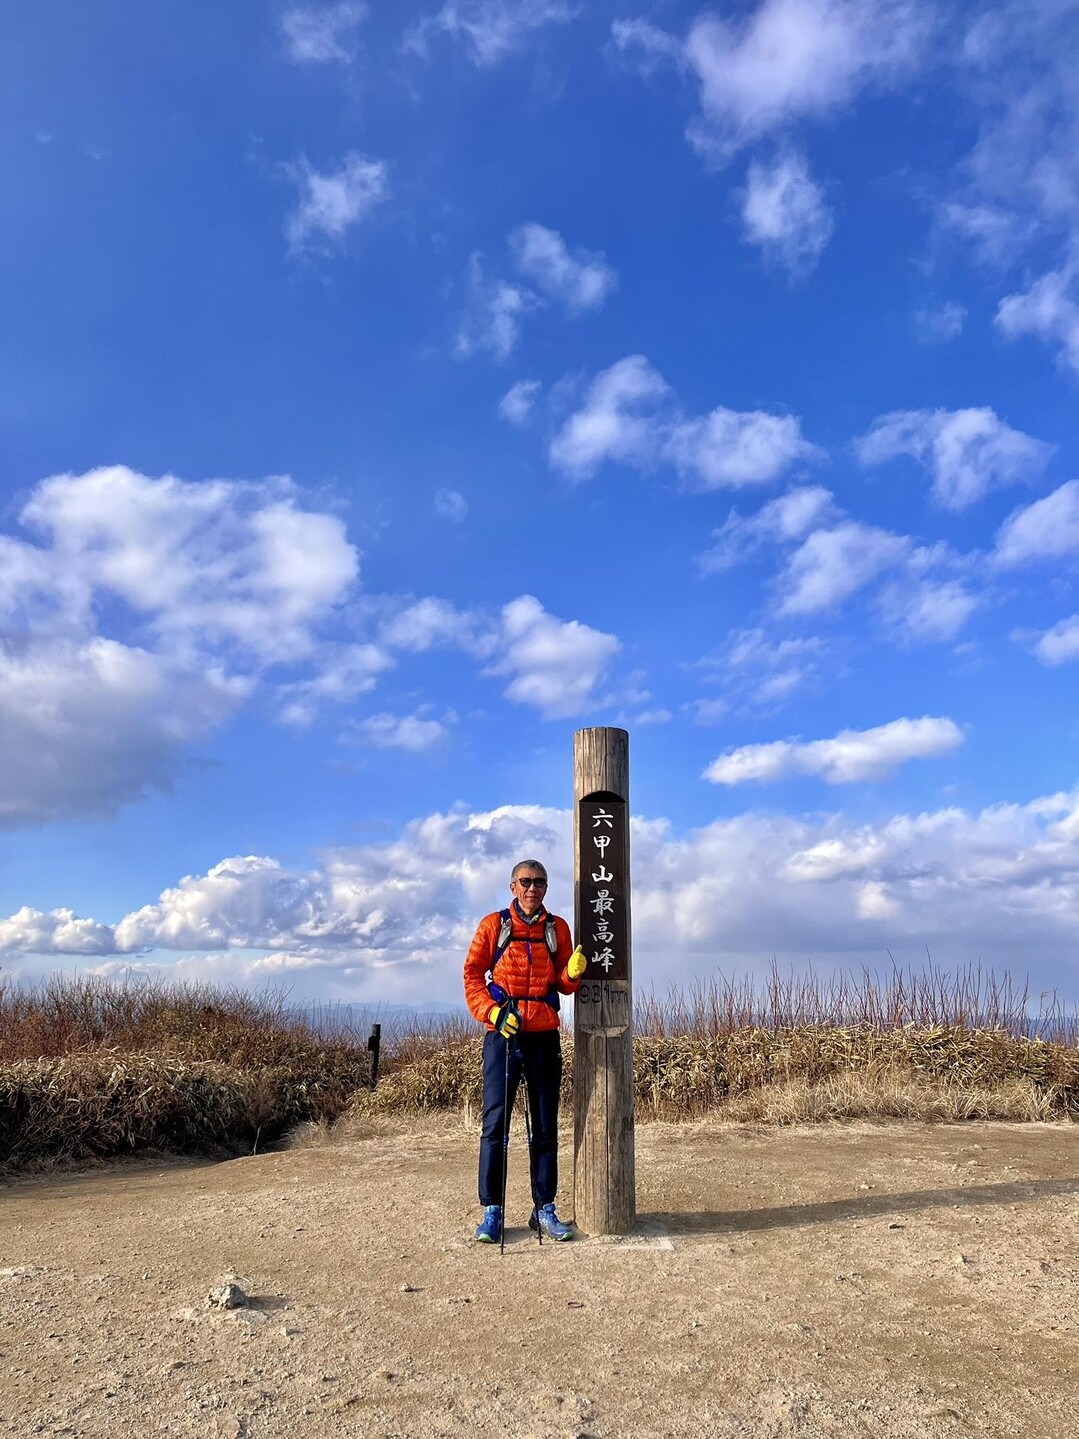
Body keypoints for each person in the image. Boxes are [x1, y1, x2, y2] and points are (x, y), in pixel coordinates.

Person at [463, 859, 587, 1244]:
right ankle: (492, 1211)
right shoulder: (493, 926)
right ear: (512, 886)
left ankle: (543, 1208)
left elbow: (564, 986)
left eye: (540, 882)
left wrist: (574, 972)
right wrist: (494, 1013)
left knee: (545, 1125)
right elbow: (472, 975)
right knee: (495, 1125)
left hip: (543, 1036)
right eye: (526, 882)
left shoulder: (557, 928)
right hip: (503, 1036)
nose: (533, 888)